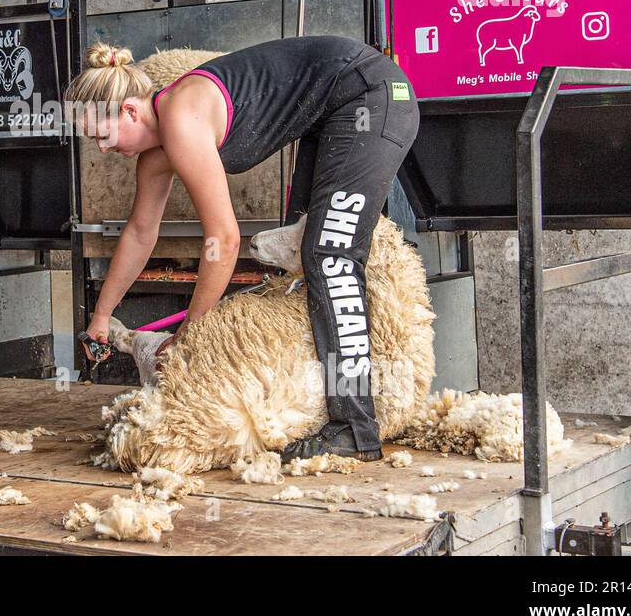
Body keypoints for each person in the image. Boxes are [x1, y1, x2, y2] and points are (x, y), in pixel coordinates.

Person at [67, 36, 419, 461]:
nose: (104, 149)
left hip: (370, 95)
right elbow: (141, 233)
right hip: (329, 115)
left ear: (128, 110)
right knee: (303, 264)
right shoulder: (156, 152)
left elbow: (224, 238)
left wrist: (191, 334)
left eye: (103, 135)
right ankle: (312, 407)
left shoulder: (181, 118)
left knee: (329, 255)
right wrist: (102, 317)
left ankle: (355, 429)